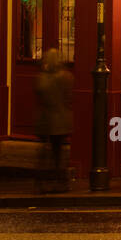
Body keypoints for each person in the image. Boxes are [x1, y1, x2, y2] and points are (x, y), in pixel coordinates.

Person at [34, 48, 74, 193]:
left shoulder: (41, 78)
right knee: (59, 153)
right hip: (61, 119)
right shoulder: (66, 76)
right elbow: (68, 97)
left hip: (45, 119)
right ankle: (61, 181)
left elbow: (38, 95)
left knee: (44, 152)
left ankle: (41, 181)